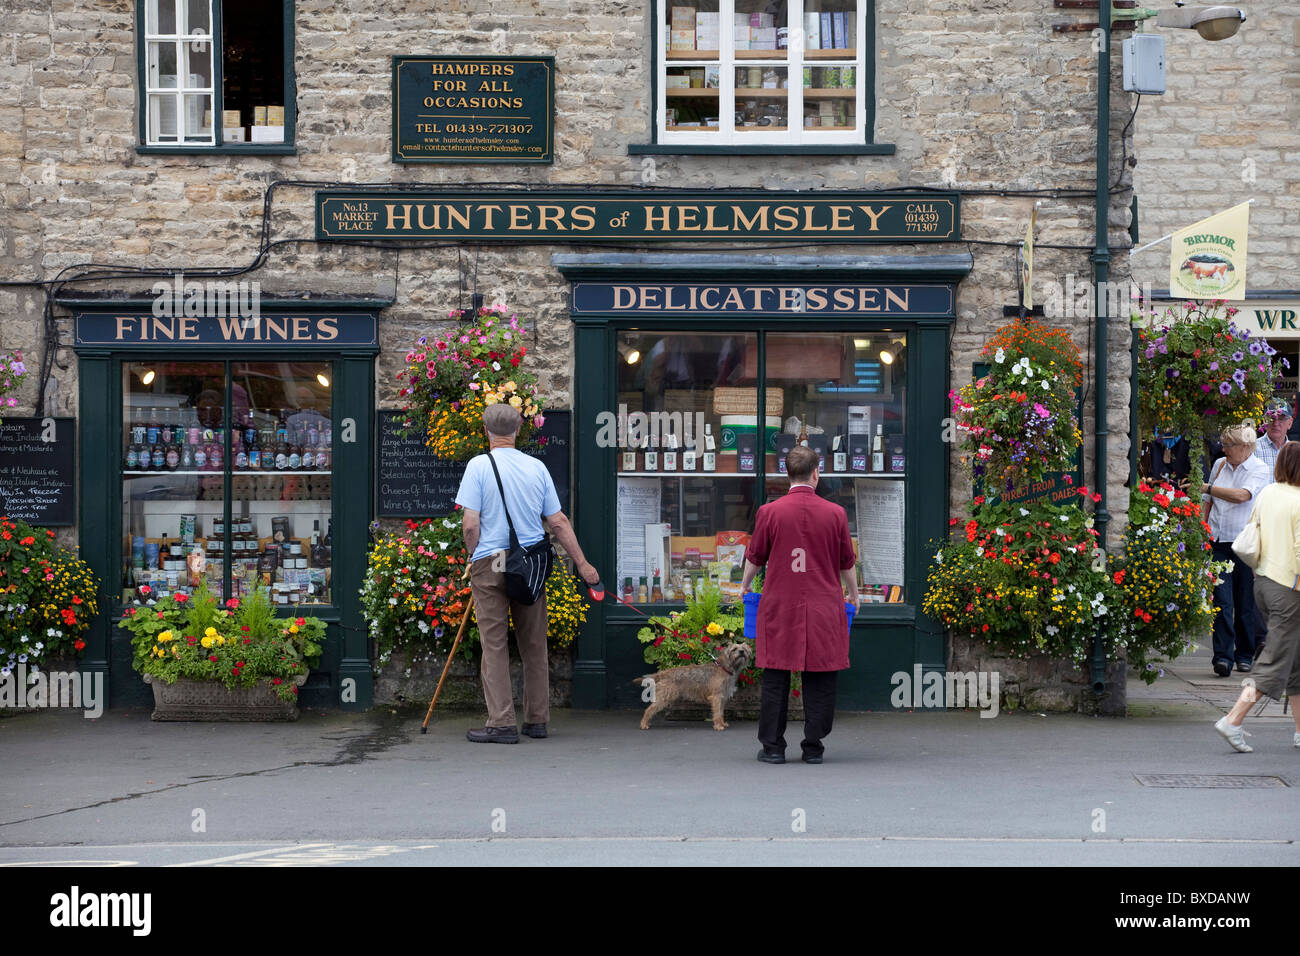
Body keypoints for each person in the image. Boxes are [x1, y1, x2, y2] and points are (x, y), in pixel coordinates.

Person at [455, 403, 599, 744]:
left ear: (485, 430)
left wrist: (471, 554)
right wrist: (584, 565)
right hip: (530, 563)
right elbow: (558, 522)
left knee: (494, 645)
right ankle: (537, 720)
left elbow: (470, 523)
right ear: (518, 428)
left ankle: (502, 722)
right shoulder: (537, 468)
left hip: (491, 561)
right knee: (534, 644)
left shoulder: (479, 466)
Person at [740, 445, 859, 764]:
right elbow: (847, 561)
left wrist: (745, 584)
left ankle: (773, 748)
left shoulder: (769, 512)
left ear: (787, 474)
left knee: (776, 674)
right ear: (816, 474)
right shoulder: (836, 514)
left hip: (780, 604)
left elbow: (755, 555)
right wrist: (854, 594)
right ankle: (813, 747)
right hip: (823, 604)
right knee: (820, 674)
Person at [1213, 441, 1300, 753]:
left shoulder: (1269, 493)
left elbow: (1254, 531)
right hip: (1290, 588)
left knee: (1295, 659)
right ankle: (1233, 720)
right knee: (1274, 660)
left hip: (1262, 581)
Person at [1202, 424, 1270, 676]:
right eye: (1224, 443)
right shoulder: (1219, 464)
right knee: (1221, 601)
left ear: (1246, 447)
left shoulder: (1259, 470)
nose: (1224, 448)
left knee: (1245, 602)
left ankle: (1244, 654)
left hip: (1244, 543)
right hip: (1218, 540)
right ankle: (1222, 657)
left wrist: (1207, 488)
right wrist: (1202, 529)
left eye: (1229, 444)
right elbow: (1207, 503)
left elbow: (1242, 496)